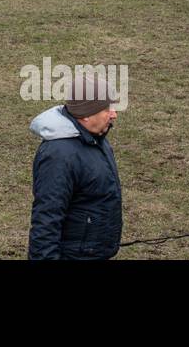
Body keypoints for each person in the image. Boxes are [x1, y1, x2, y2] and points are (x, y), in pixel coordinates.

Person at [27, 73, 121, 260]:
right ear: (86, 115)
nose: (114, 114)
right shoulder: (59, 155)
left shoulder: (96, 139)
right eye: (107, 109)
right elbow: (46, 220)